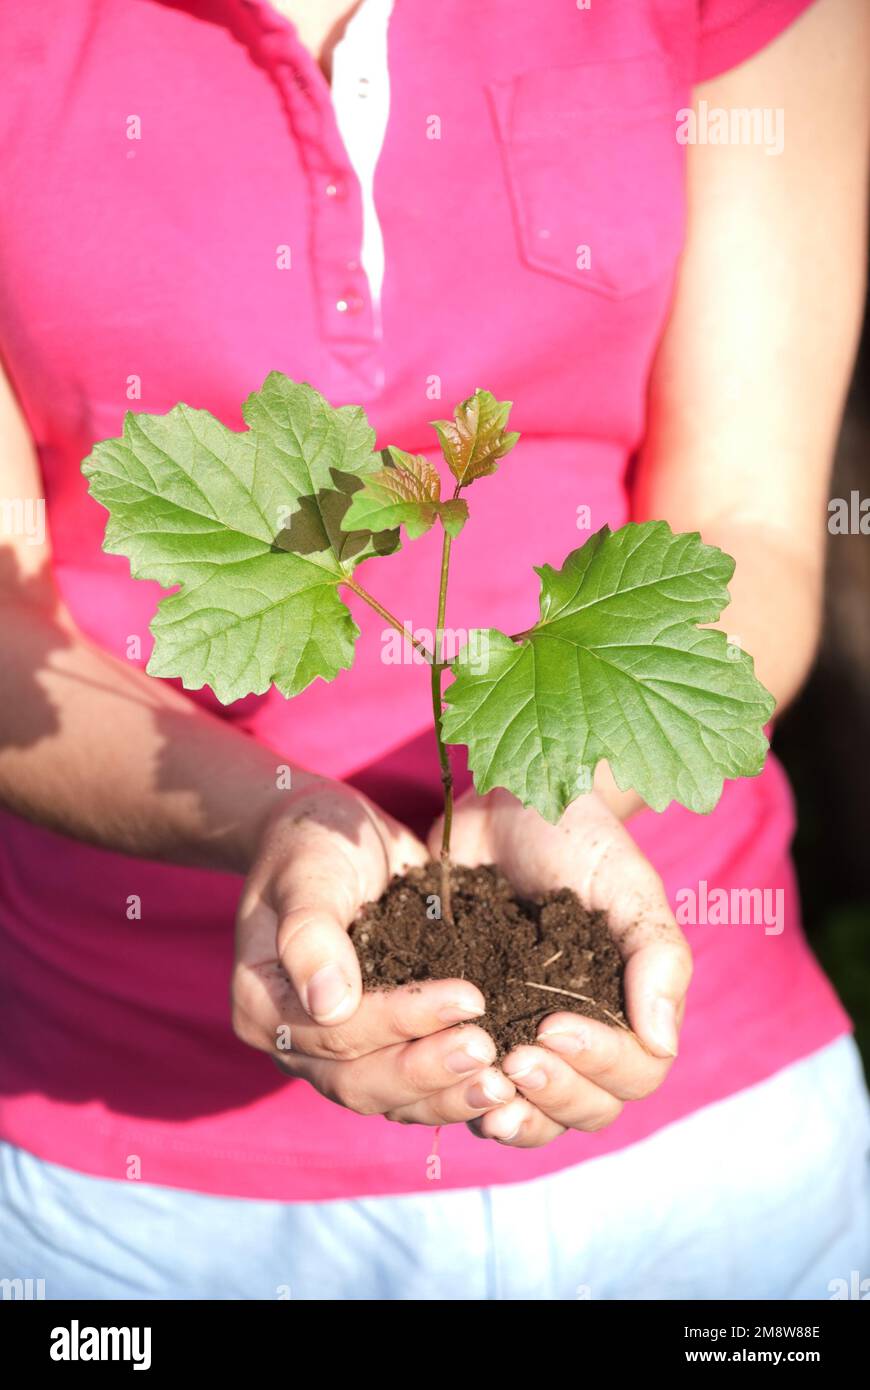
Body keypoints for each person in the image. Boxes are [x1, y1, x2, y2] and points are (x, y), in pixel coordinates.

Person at [0, 0, 868, 1300]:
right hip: (139, 1188)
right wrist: (276, 823)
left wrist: (548, 785)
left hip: (714, 1131)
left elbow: (746, 525)